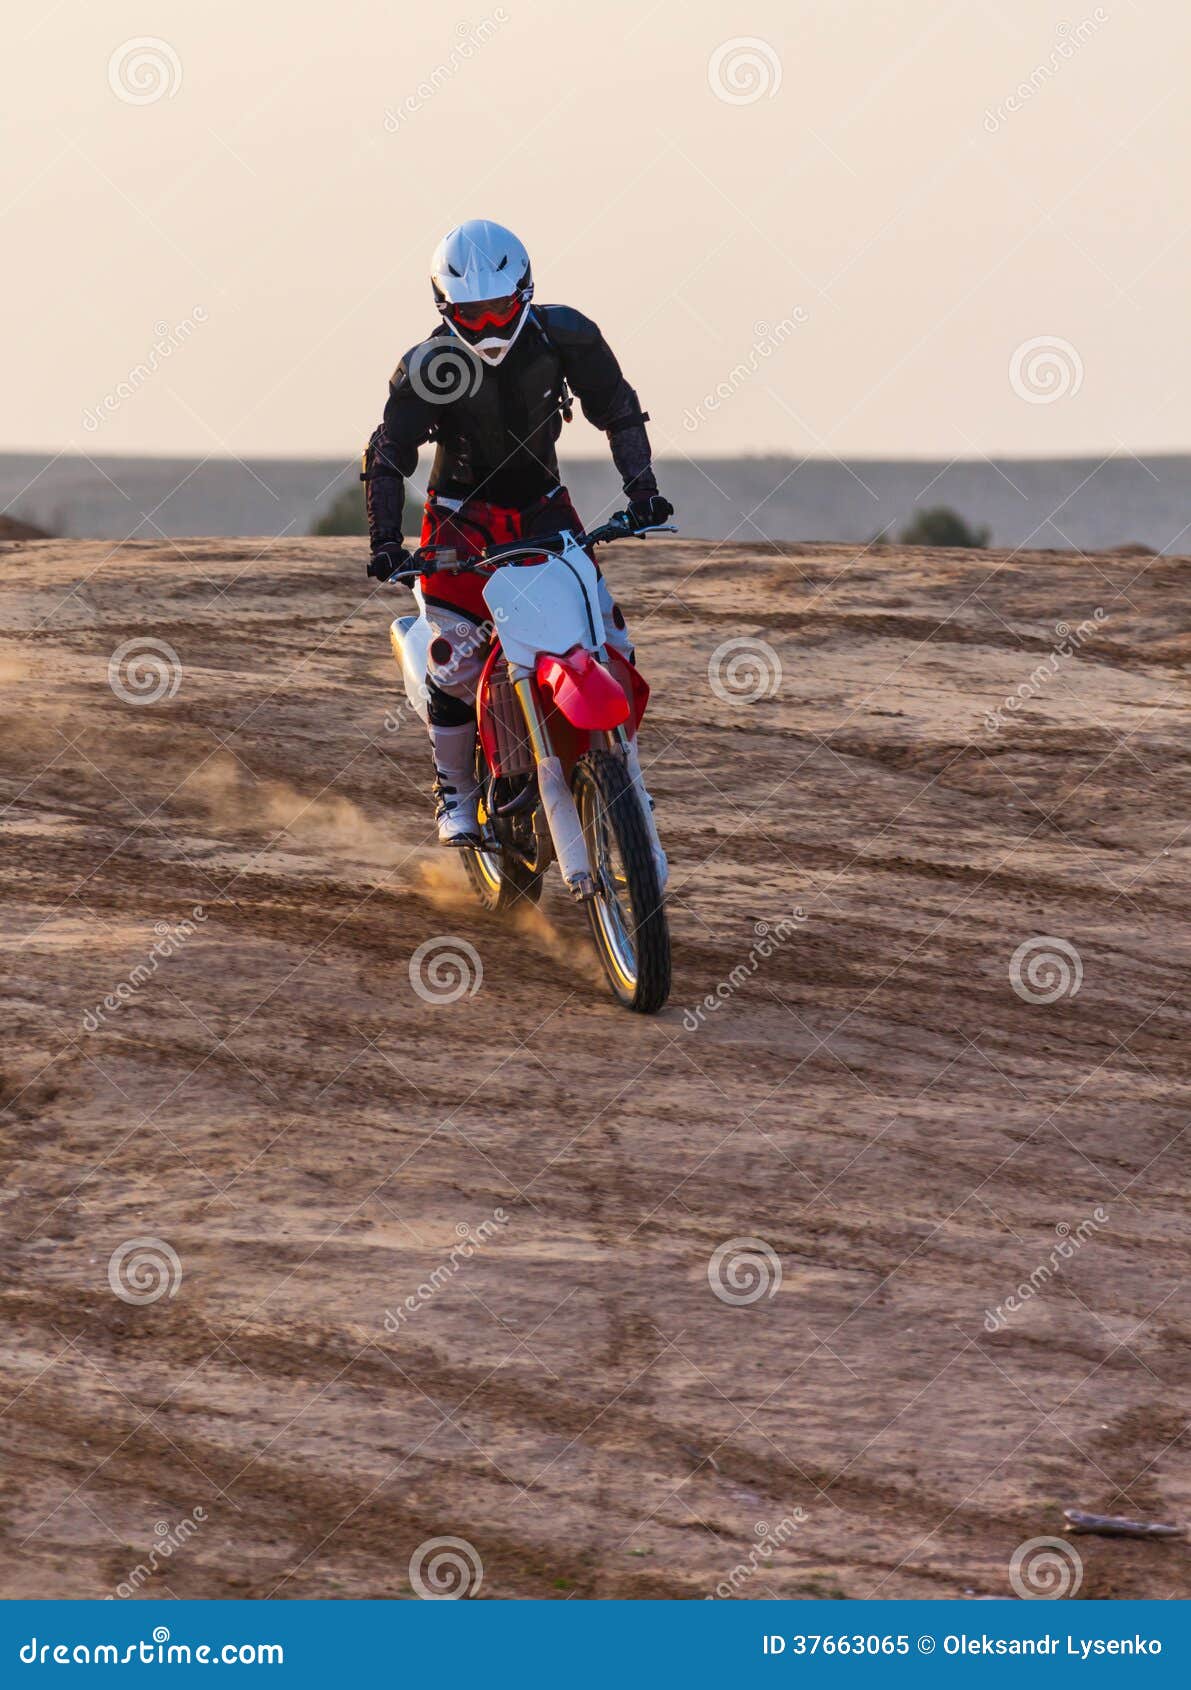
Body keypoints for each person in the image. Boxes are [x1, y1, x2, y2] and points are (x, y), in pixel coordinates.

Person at [362, 219, 673, 859]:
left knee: (608, 636)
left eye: (498, 308)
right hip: (458, 520)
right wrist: (385, 541)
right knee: (456, 659)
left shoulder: (568, 336)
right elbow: (389, 452)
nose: (487, 326)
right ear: (446, 310)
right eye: (470, 315)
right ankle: (453, 788)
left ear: (525, 293)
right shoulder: (427, 365)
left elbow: (616, 407)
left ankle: (623, 773)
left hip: (545, 511)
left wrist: (643, 492)